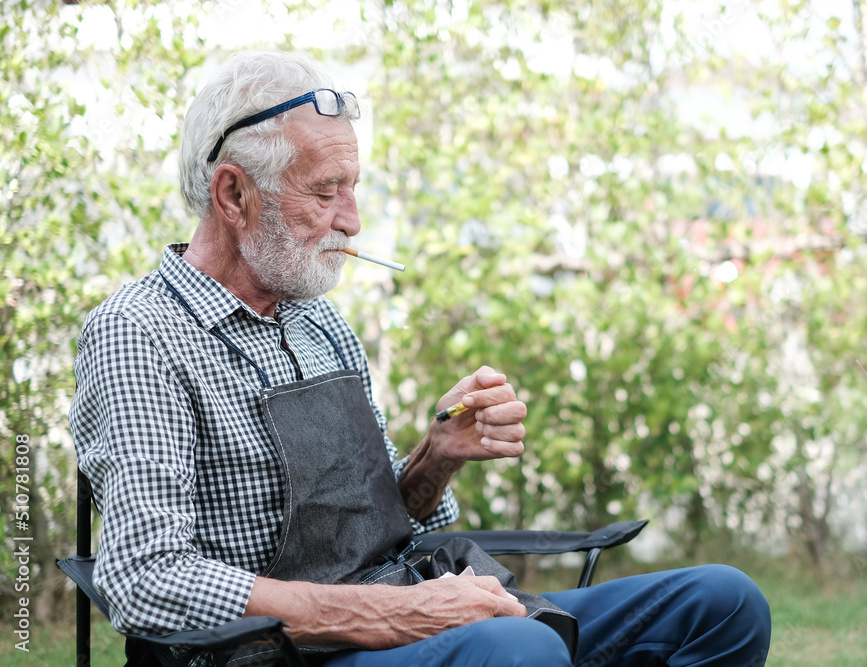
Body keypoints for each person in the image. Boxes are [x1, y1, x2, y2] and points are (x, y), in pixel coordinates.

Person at [70, 51, 771, 667]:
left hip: (405, 607)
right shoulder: (140, 333)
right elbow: (147, 578)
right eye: (326, 191)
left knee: (724, 602)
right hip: (279, 652)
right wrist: (400, 615)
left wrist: (434, 458)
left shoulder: (321, 322)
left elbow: (390, 527)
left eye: (353, 186)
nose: (353, 219)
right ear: (233, 194)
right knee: (520, 648)